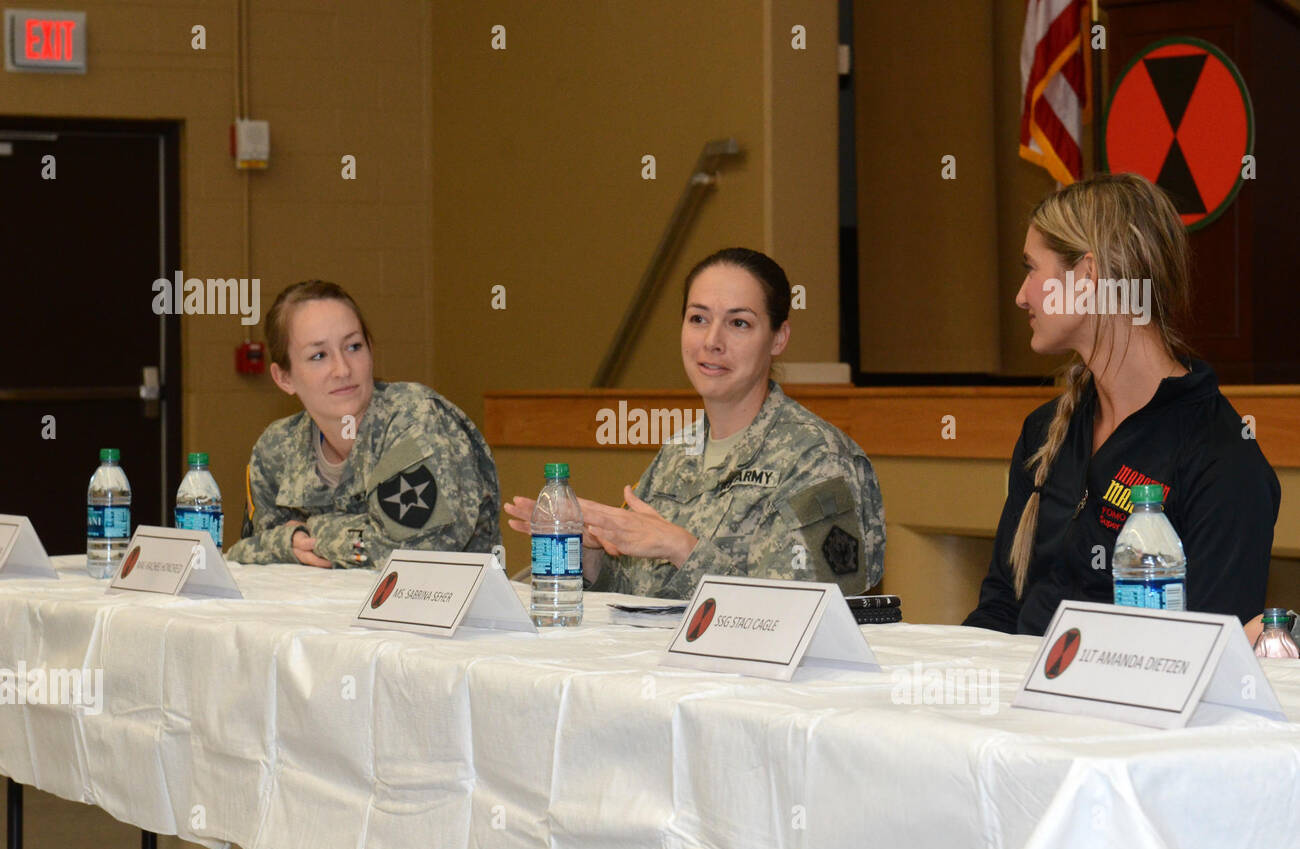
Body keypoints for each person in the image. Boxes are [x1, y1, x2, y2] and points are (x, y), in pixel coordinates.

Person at [964, 173, 1279, 637]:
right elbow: (999, 611)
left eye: (1031, 269)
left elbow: (1208, 665)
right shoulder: (1045, 431)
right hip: (1022, 699)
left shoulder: (1221, 460)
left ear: (1088, 276)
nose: (1020, 294)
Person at [505, 247, 885, 598]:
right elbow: (637, 596)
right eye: (698, 319)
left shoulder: (817, 458)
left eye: (738, 323)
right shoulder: (679, 452)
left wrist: (681, 548)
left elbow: (809, 613)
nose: (712, 341)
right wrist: (589, 551)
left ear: (778, 338)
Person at [226, 280, 500, 568]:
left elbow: (416, 556)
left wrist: (311, 533)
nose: (343, 369)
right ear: (284, 378)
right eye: (319, 355)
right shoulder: (276, 449)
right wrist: (283, 544)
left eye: (354, 347)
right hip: (319, 610)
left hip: (436, 610)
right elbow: (247, 558)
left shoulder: (414, 420)